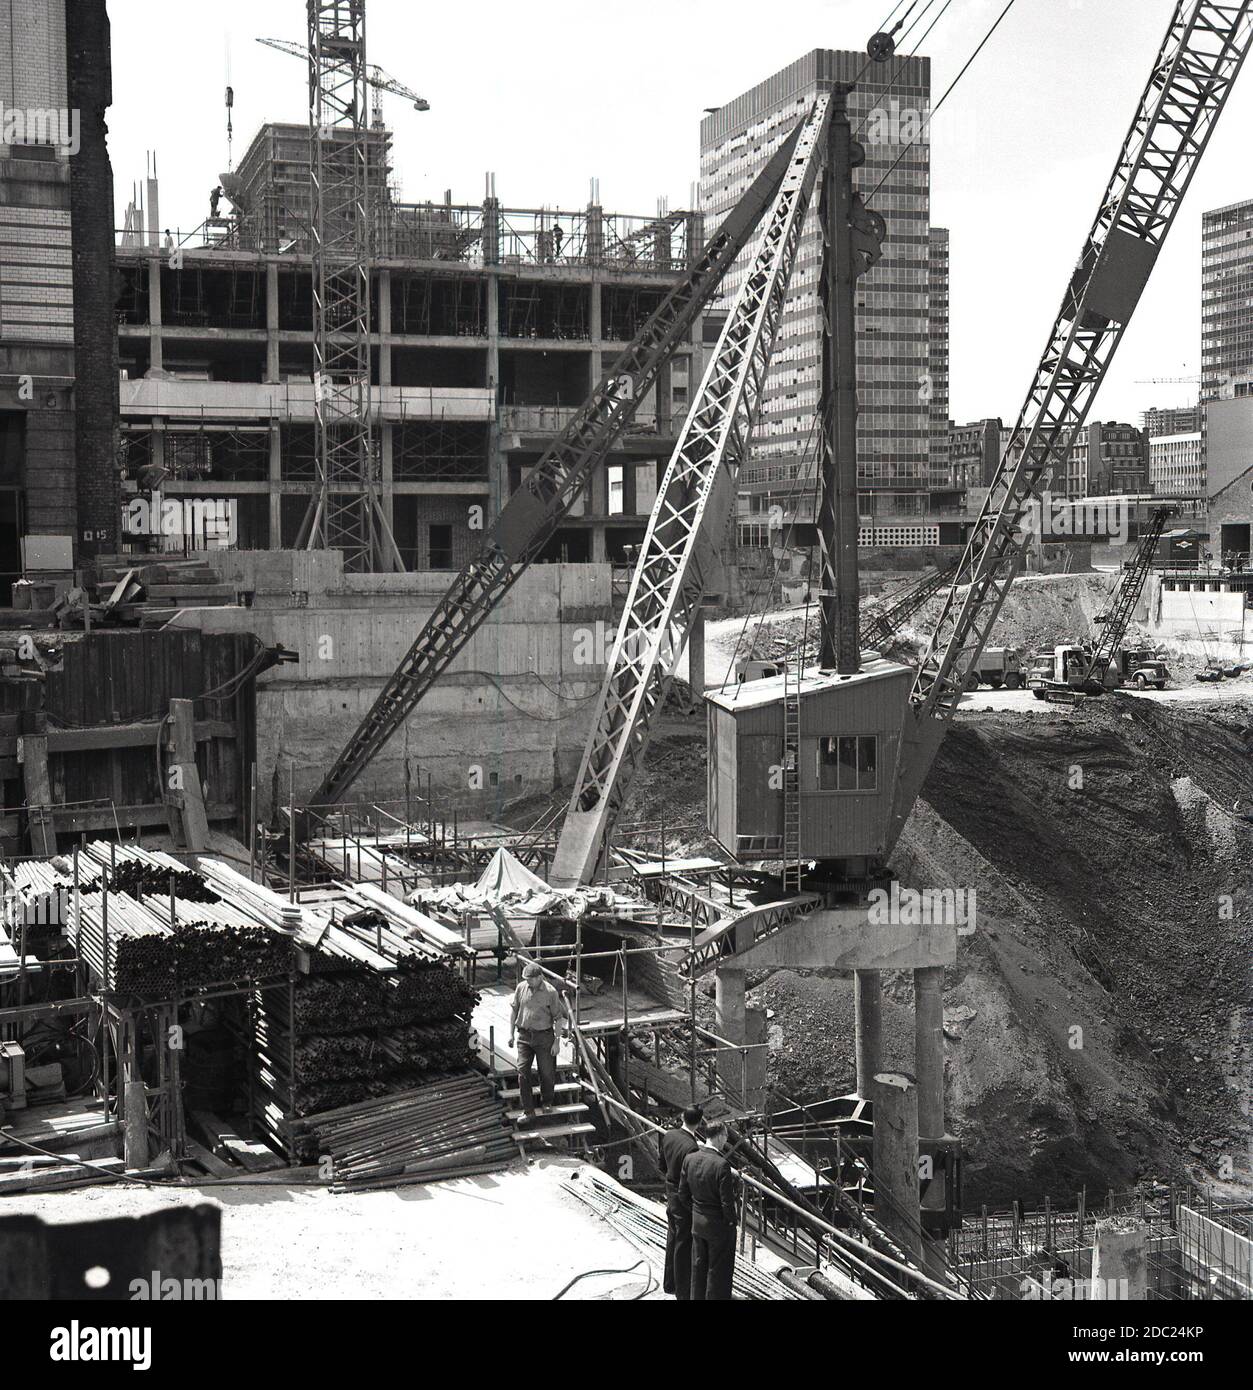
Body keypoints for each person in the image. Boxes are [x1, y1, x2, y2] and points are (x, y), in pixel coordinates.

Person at [679, 1119, 737, 1300]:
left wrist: (696, 1210)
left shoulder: (690, 1158)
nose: (726, 1140)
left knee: (698, 1267)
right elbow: (727, 1202)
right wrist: (731, 1222)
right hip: (717, 1226)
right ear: (719, 1137)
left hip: (698, 1223)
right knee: (717, 1272)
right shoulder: (721, 1165)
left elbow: (682, 1193)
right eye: (726, 1136)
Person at [507, 961, 566, 1120]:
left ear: (540, 977)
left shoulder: (551, 992)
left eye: (531, 979)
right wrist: (511, 1034)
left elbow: (558, 1019)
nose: (528, 982)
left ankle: (547, 1101)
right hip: (524, 1037)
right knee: (522, 1072)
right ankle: (528, 1110)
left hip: (544, 1037)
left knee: (546, 1072)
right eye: (526, 979)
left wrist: (556, 1042)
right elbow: (514, 1010)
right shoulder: (521, 988)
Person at [659, 1105, 703, 1298]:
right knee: (683, 1245)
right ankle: (682, 1291)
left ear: (683, 1117)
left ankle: (669, 1282)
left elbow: (662, 1163)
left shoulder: (668, 1135)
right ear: (700, 1123)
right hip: (681, 1196)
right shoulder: (692, 1147)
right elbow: (689, 1182)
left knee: (672, 1237)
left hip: (670, 1190)